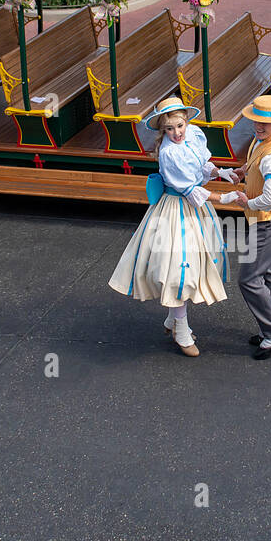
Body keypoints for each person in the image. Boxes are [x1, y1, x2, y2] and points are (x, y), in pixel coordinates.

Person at [107, 97, 236, 357]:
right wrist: (224, 197)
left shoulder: (194, 135)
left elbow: (201, 166)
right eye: (170, 129)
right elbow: (190, 190)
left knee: (189, 267)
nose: (177, 133)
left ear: (186, 122)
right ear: (163, 130)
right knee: (179, 271)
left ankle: (172, 320)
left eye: (180, 126)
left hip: (195, 212)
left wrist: (221, 173)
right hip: (176, 209)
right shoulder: (168, 153)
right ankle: (181, 329)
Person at [228, 96, 271, 360]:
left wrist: (247, 200)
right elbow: (258, 160)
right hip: (269, 220)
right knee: (270, 271)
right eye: (257, 120)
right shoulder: (267, 141)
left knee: (248, 278)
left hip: (267, 219)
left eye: (265, 123)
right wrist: (245, 170)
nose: (259, 126)